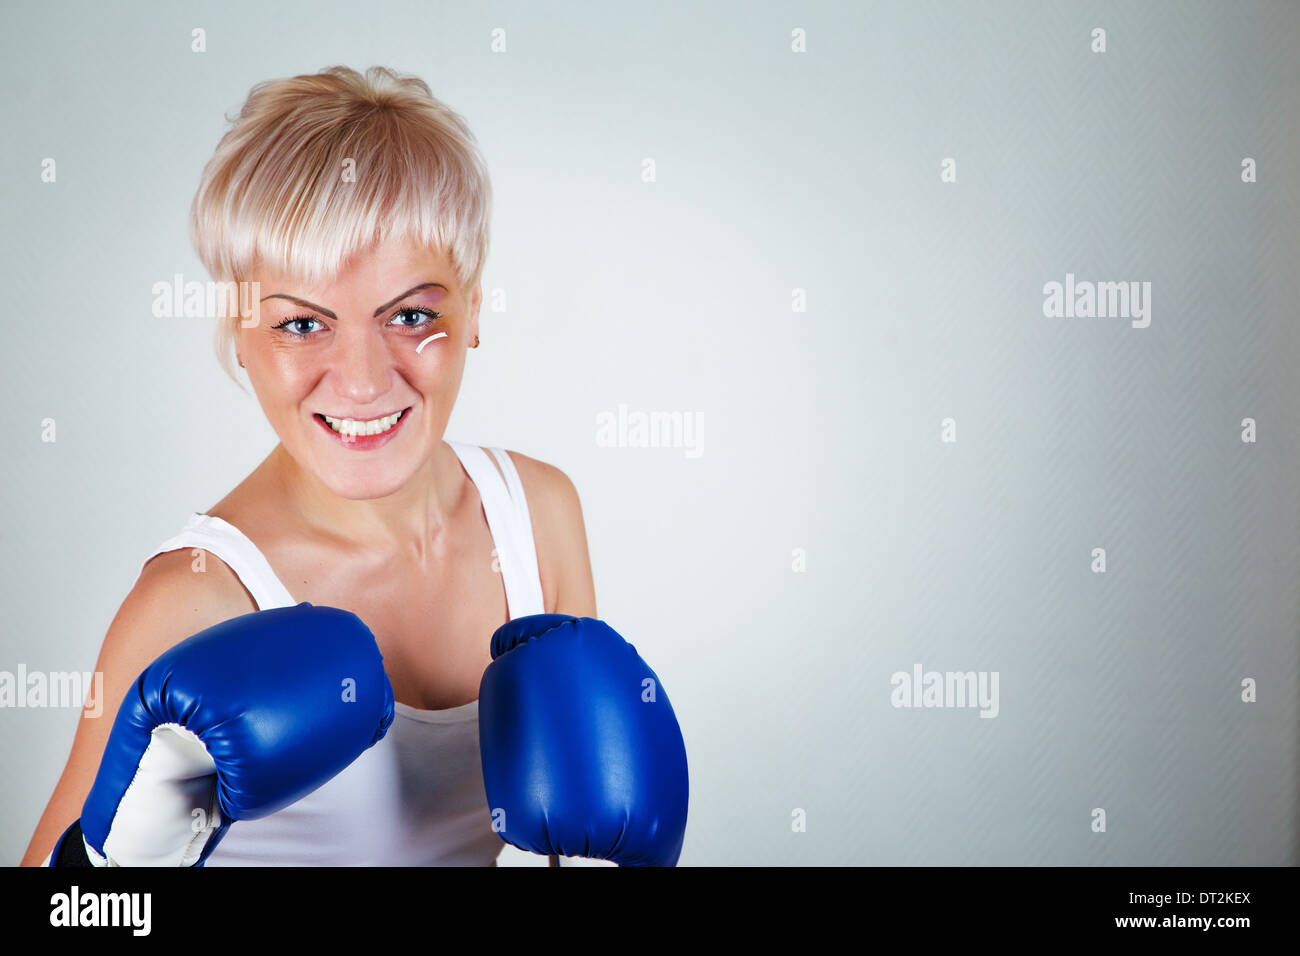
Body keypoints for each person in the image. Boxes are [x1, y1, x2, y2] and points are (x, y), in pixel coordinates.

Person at [21, 65, 606, 866]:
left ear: (471, 308)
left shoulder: (538, 516)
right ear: (236, 330)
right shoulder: (192, 601)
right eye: (302, 325)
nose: (363, 381)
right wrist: (113, 866)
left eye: (411, 315)